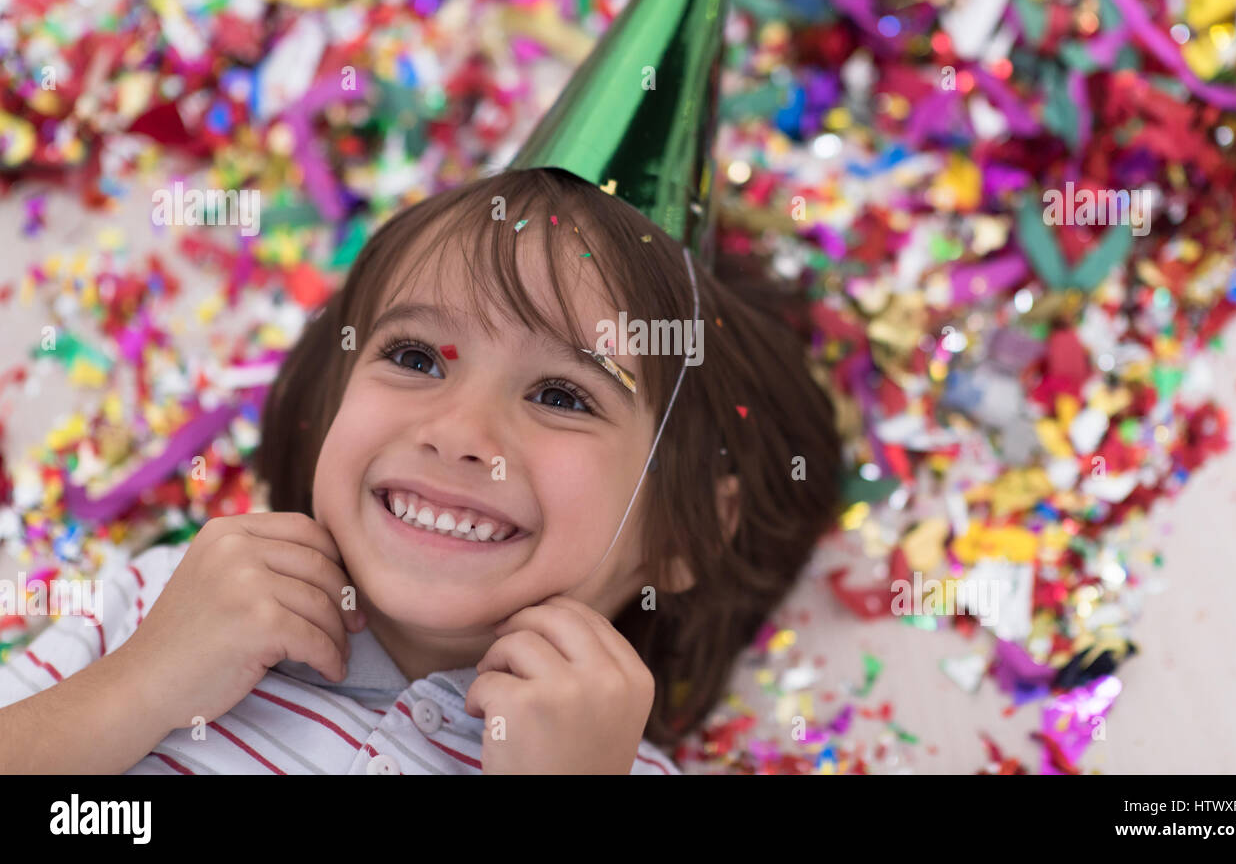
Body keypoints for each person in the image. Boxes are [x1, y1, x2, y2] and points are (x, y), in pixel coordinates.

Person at [0, 165, 841, 773]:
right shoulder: (165, 605)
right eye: (414, 355)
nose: (460, 431)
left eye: (562, 393)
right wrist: (143, 684)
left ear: (685, 526)